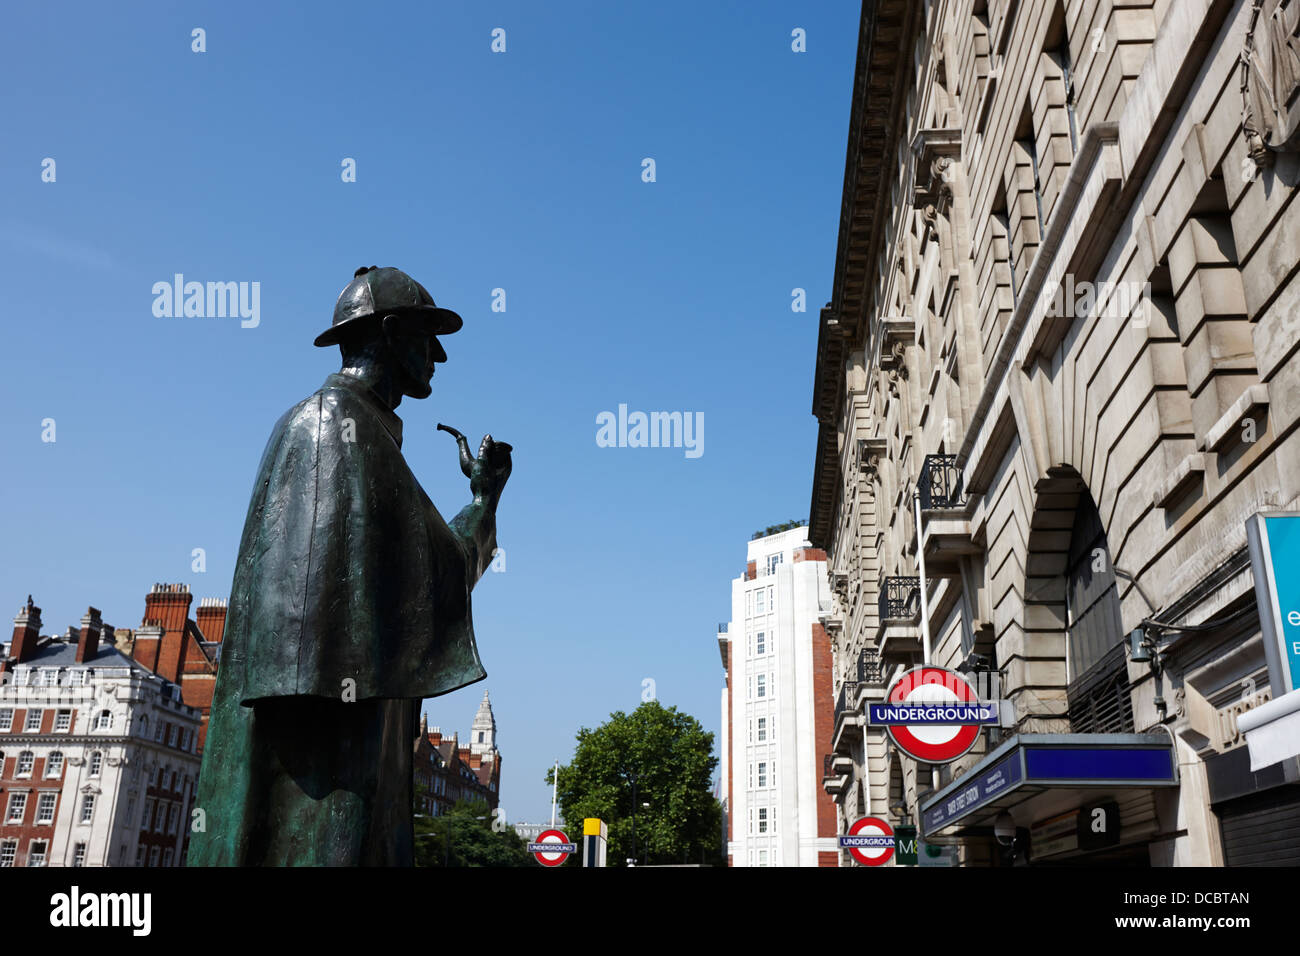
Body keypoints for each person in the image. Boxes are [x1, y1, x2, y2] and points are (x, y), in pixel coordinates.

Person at [187, 266, 511, 866]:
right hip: (325, 759)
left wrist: (482, 502)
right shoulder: (328, 426)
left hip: (360, 739)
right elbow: (300, 653)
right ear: (389, 332)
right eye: (425, 334)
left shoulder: (371, 439)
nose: (438, 354)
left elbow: (440, 574)